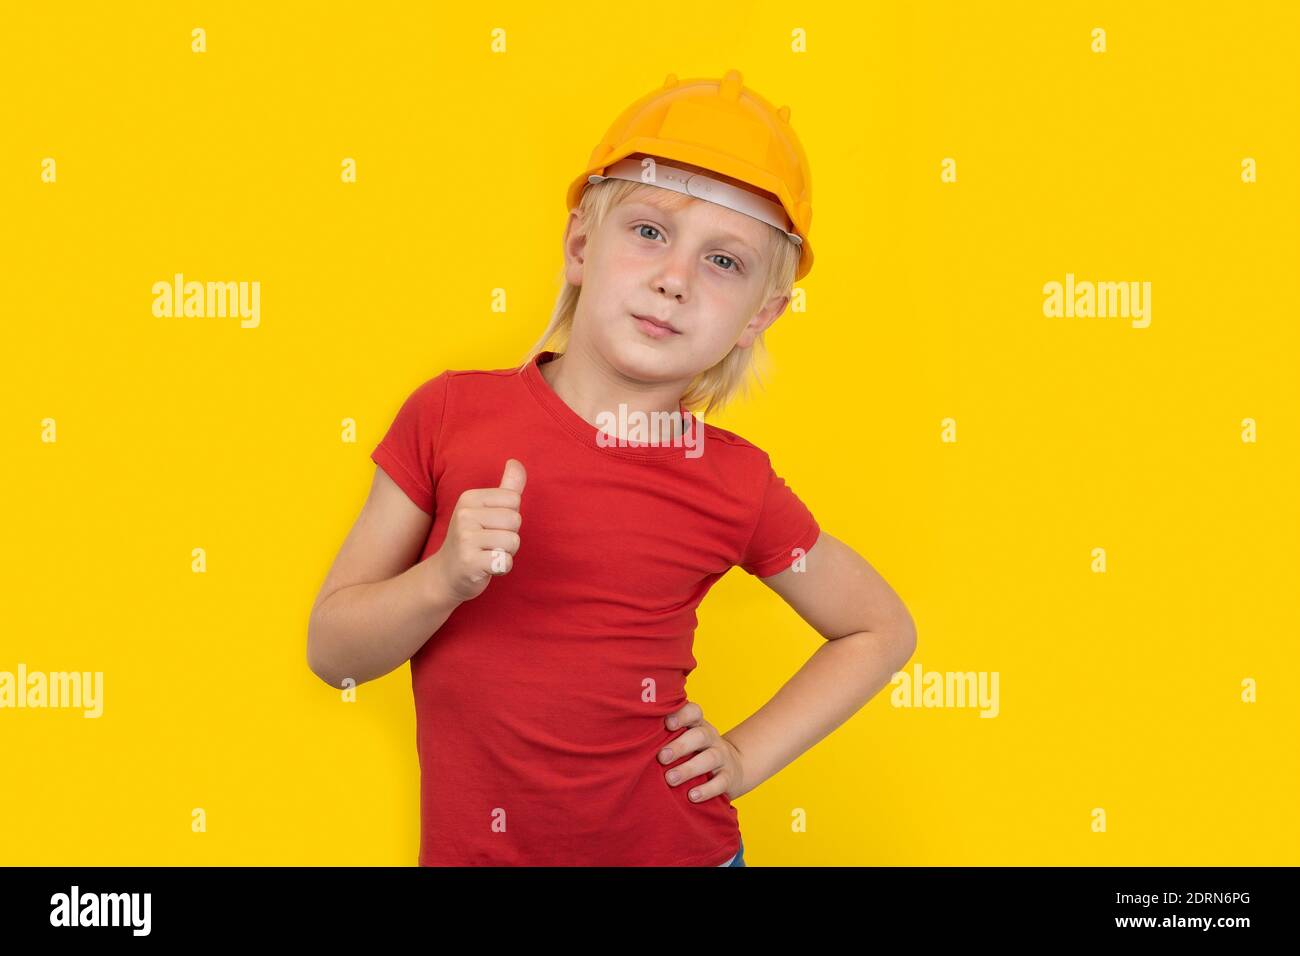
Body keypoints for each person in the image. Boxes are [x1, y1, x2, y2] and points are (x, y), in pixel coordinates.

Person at [307, 69, 917, 866]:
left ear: (758, 318)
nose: (675, 279)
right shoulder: (449, 417)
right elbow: (333, 653)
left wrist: (743, 757)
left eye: (724, 262)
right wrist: (443, 579)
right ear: (581, 246)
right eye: (651, 232)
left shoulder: (734, 483)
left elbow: (880, 629)